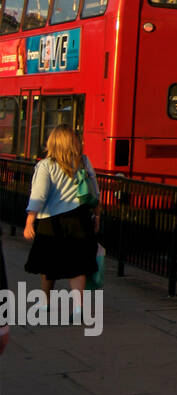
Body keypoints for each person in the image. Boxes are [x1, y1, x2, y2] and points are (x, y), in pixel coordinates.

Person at [23, 125, 100, 319]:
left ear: (53, 142)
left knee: (48, 264)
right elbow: (94, 191)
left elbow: (38, 195)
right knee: (78, 265)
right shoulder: (83, 161)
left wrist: (30, 220)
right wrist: (97, 216)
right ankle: (78, 306)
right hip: (80, 220)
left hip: (51, 221)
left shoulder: (46, 165)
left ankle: (46, 301)